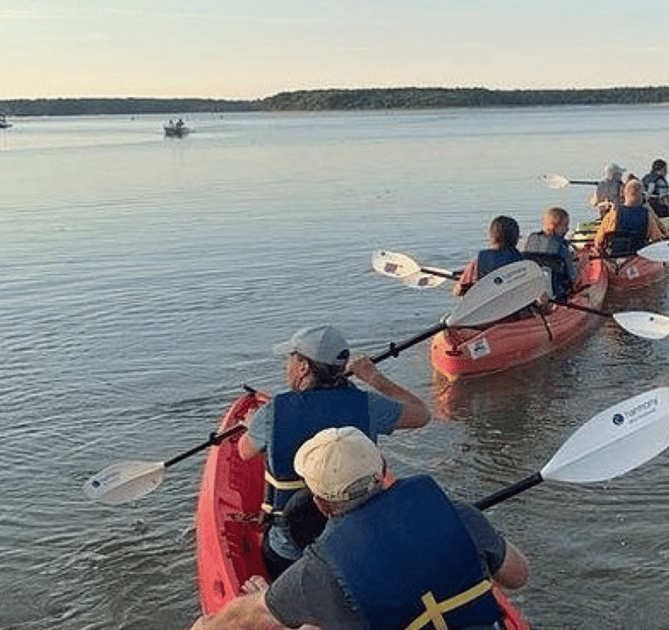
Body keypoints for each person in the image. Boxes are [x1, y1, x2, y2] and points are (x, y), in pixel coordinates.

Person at [189, 426, 529, 630]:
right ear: (383, 468)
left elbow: (239, 618)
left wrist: (255, 602)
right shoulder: (458, 514)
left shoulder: (316, 573)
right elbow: (517, 576)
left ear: (320, 502)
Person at [237, 324, 431, 578]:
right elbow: (422, 415)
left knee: (280, 545)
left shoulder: (272, 413)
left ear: (304, 367)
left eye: (290, 359)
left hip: (290, 551)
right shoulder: (369, 406)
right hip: (357, 540)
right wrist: (373, 377)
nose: (287, 367)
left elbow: (245, 452)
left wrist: (254, 425)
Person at [592, 179, 669, 257]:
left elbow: (599, 240)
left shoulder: (614, 213)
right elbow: (656, 239)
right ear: (641, 196)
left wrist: (599, 251)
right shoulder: (647, 215)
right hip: (638, 257)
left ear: (625, 194)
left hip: (615, 255)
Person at [452, 215, 524, 296]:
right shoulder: (524, 260)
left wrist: (461, 280)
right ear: (516, 239)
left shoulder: (478, 261)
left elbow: (458, 291)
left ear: (491, 237)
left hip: (489, 302)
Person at [521, 206, 579, 300]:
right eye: (565, 225)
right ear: (554, 226)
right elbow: (570, 274)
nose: (567, 229)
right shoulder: (561, 247)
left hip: (533, 293)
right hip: (557, 294)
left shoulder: (531, 239)